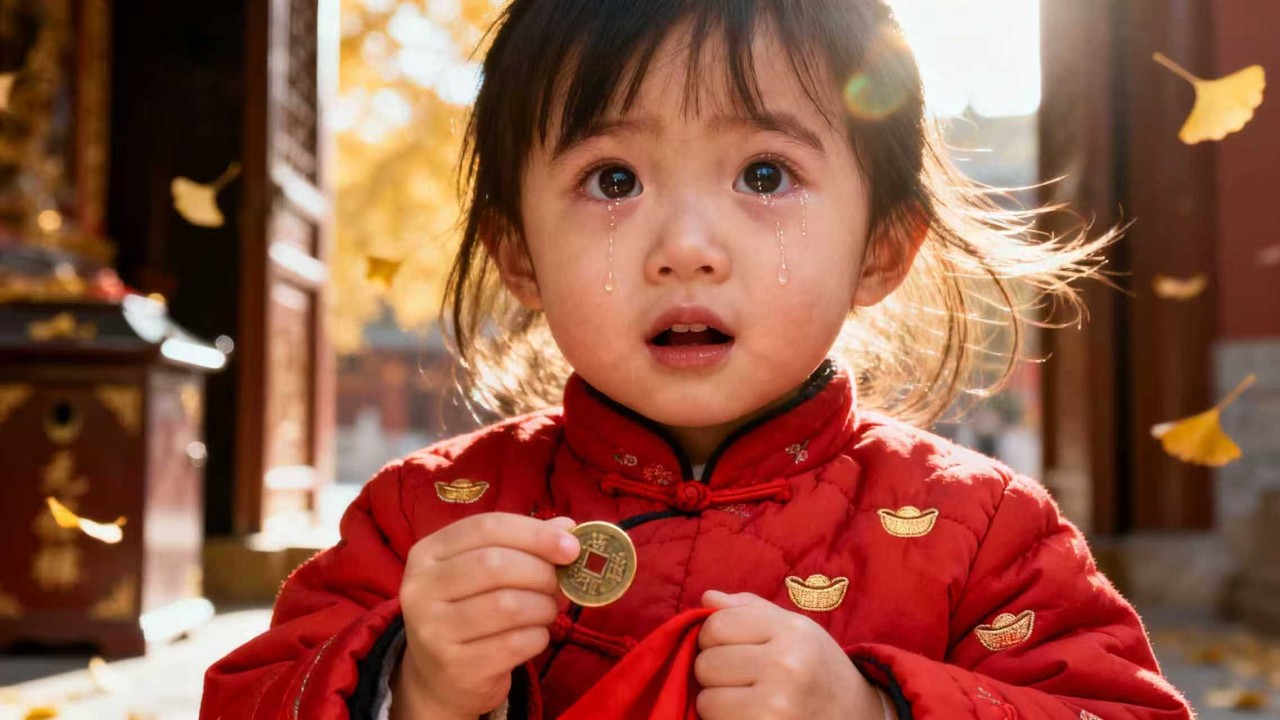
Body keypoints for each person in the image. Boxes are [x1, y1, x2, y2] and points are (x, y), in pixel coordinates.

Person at [201, 1, 1193, 718]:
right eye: (612, 179)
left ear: (881, 249)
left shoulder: (984, 536)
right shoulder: (423, 517)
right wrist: (409, 684)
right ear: (518, 255)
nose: (684, 246)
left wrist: (874, 709)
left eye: (763, 174)